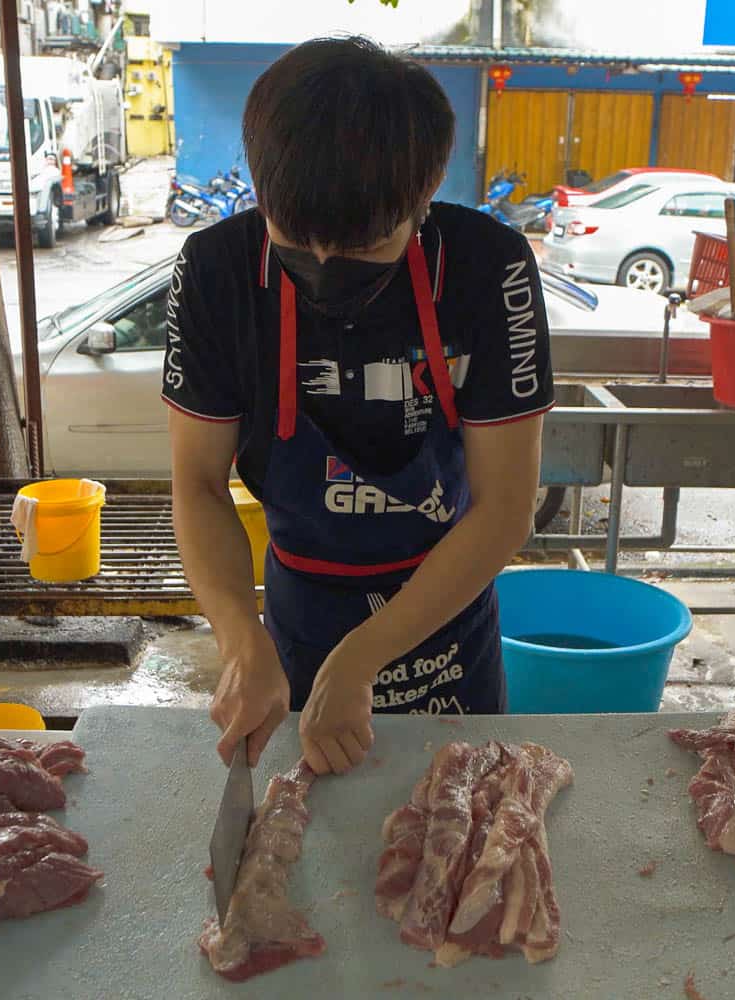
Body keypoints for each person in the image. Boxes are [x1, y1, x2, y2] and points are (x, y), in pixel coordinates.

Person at [163, 37, 554, 777]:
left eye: (365, 248)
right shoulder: (214, 272)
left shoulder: (487, 267)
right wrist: (244, 645)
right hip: (298, 617)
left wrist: (363, 660)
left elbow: (505, 509)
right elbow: (198, 484)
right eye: (296, 246)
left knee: (460, 835)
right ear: (259, 193)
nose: (326, 273)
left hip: (448, 617)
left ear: (424, 197)